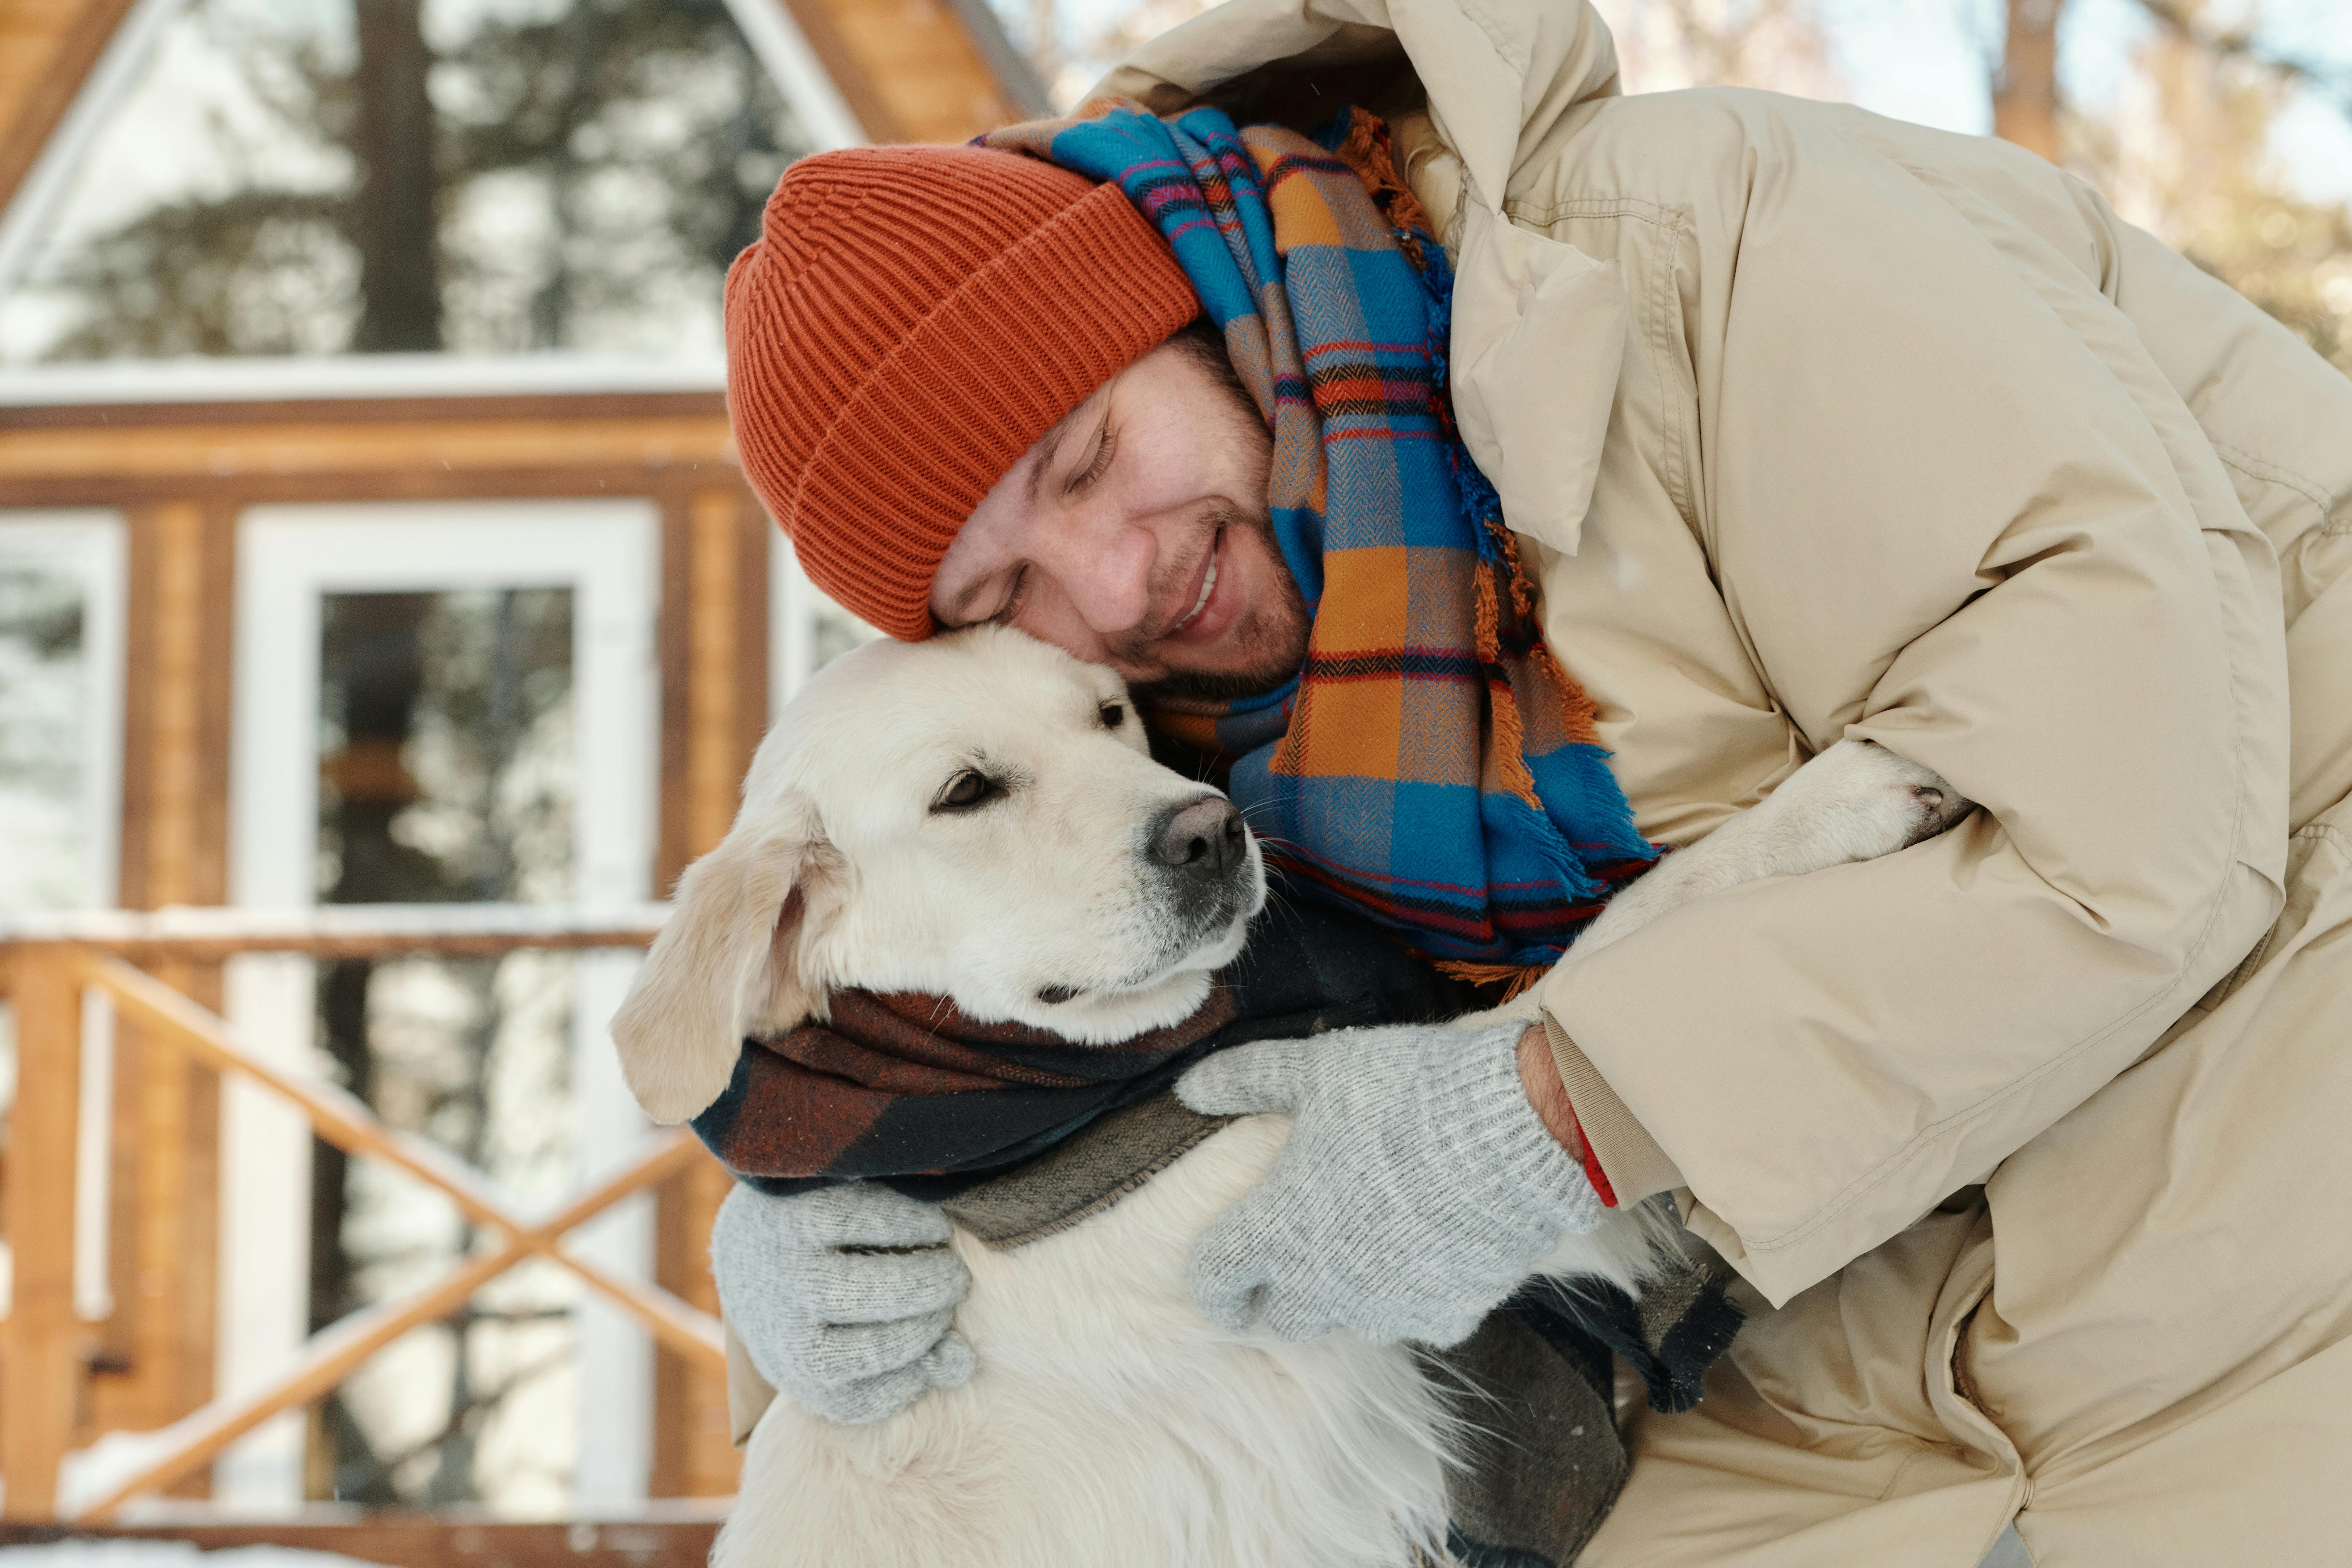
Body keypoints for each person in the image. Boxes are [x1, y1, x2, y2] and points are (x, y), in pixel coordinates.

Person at [699, 0, 2352, 1561]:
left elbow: (2128, 804)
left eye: (1088, 460)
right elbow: (1036, 1019)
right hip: (1848, 1330)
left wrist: (1556, 1112)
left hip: (2272, 1123)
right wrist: (839, 1219)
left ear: (1188, 305)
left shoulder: (1705, 251)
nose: (1113, 589)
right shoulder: (1163, 714)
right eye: (1002, 600)